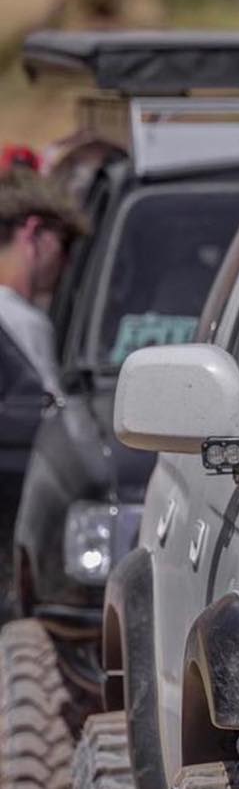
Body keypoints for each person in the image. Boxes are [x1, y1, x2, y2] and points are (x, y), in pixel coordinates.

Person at [0, 170, 88, 614]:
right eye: (66, 244)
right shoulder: (19, 323)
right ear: (34, 232)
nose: (67, 263)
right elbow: (57, 425)